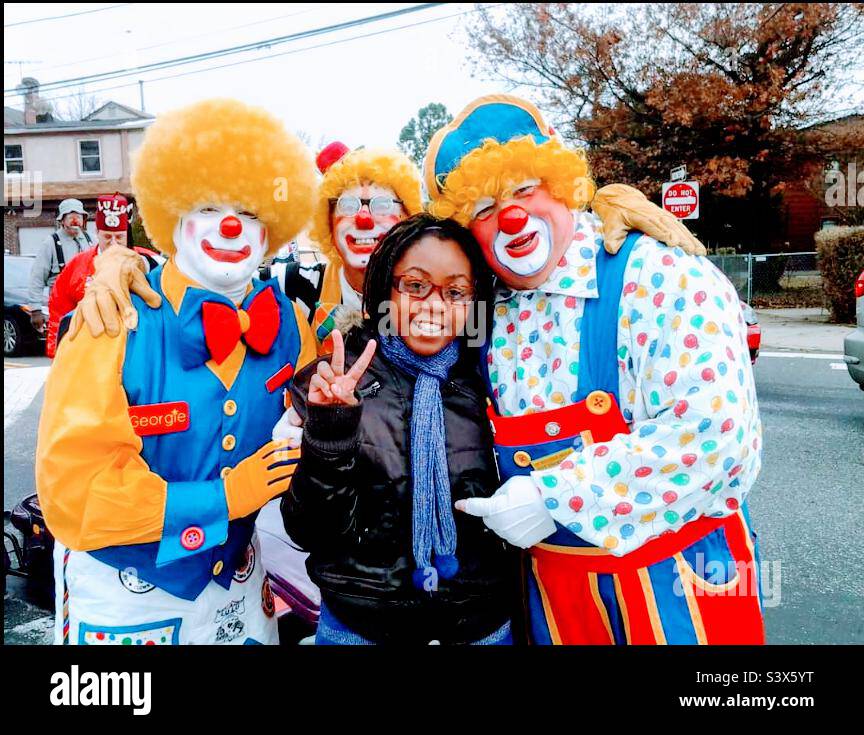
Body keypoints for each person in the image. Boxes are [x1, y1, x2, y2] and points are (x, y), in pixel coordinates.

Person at [425, 94, 765, 644]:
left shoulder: (660, 273)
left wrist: (555, 497)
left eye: (523, 190)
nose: (510, 217)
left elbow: (719, 438)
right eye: (484, 210)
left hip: (678, 592)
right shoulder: (483, 311)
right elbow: (411, 313)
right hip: (552, 603)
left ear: (561, 185)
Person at [36, 99, 318, 645]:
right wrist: (224, 498)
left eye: (251, 211)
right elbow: (73, 493)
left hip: (240, 589)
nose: (232, 225)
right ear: (175, 214)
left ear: (271, 230)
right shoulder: (112, 318)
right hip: (124, 593)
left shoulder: (290, 324)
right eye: (209, 207)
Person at [281, 213, 516, 645]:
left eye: (456, 291)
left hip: (478, 625)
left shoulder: (497, 379)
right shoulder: (337, 381)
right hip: (361, 626)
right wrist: (330, 437)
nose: (434, 305)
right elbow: (308, 531)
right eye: (414, 285)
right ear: (384, 290)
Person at [275, 142, 425, 354]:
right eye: (347, 205)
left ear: (408, 217)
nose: (363, 218)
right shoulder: (291, 285)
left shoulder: (427, 296)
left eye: (382, 205)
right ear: (328, 219)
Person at [45, 193, 159, 358]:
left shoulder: (147, 262)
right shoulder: (77, 266)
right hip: (91, 353)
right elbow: (59, 310)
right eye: (107, 237)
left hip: (137, 351)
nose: (113, 243)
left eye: (119, 237)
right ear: (96, 232)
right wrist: (57, 353)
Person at [28, 198, 93, 333]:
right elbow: (37, 277)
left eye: (79, 216)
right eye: (70, 217)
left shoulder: (92, 240)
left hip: (89, 304)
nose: (75, 221)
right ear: (62, 220)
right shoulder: (50, 243)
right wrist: (36, 309)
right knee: (63, 344)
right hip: (62, 307)